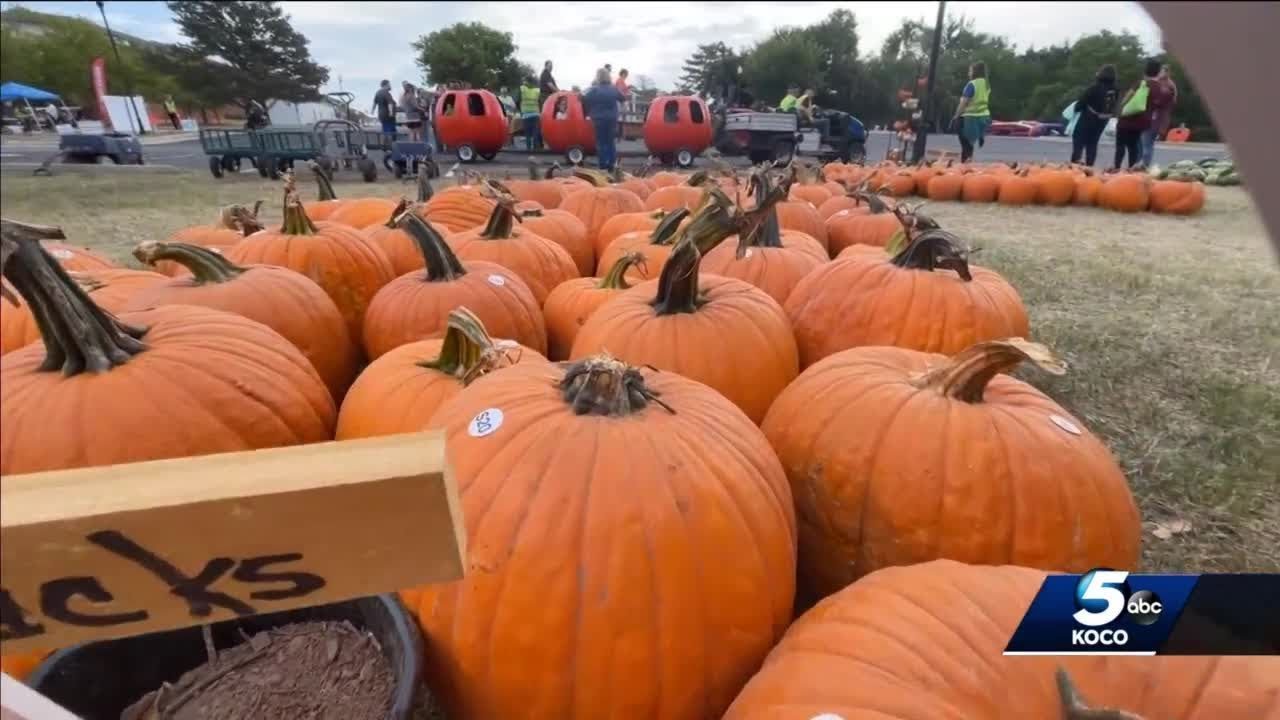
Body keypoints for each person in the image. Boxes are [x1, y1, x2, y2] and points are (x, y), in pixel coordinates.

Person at [1114, 60, 1159, 170]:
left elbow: (1127, 97)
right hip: (1142, 121)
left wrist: (1120, 109)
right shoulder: (1159, 87)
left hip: (1128, 119)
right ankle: (1131, 169)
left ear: (1145, 70)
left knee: (1120, 145)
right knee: (1133, 146)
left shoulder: (1141, 83)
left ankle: (1116, 168)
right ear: (1157, 72)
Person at [1070, 64, 1118, 166]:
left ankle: (1075, 164)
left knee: (1079, 139)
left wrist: (1075, 109)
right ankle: (1089, 166)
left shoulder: (1095, 87)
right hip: (1103, 119)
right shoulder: (1115, 89)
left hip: (1089, 117)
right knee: (1092, 143)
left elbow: (1081, 102)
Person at [583, 68, 624, 170]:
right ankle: (612, 164)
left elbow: (582, 98)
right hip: (612, 118)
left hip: (598, 119)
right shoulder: (613, 89)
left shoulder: (594, 90)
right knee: (610, 142)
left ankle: (603, 165)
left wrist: (589, 109)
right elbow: (622, 98)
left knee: (601, 142)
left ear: (598, 77)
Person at [952, 62, 992, 163]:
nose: (968, 73)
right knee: (969, 143)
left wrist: (956, 116)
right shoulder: (986, 84)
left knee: (965, 144)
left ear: (975, 72)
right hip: (983, 117)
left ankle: (965, 165)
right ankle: (979, 136)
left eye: (970, 71)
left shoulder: (972, 84)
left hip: (969, 117)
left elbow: (964, 103)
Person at [1143, 63, 1178, 166]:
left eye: (1163, 71)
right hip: (1153, 118)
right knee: (1147, 143)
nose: (1161, 73)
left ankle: (1144, 165)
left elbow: (1164, 103)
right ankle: (1144, 164)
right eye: (1161, 71)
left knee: (1147, 144)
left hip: (1155, 118)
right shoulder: (1160, 83)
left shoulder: (1168, 86)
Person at [519, 76, 542, 151]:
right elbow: (540, 102)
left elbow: (516, 100)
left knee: (528, 134)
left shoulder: (522, 89)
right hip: (536, 114)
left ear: (527, 81)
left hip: (526, 115)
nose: (523, 82)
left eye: (524, 81)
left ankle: (528, 150)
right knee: (535, 133)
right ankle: (536, 149)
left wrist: (520, 110)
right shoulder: (537, 90)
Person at [614, 68, 631, 140]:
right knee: (619, 118)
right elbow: (619, 91)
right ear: (623, 74)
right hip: (620, 101)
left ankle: (621, 135)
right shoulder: (620, 81)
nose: (627, 76)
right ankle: (619, 135)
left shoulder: (622, 81)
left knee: (622, 118)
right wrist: (625, 94)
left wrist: (627, 89)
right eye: (626, 74)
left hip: (622, 101)